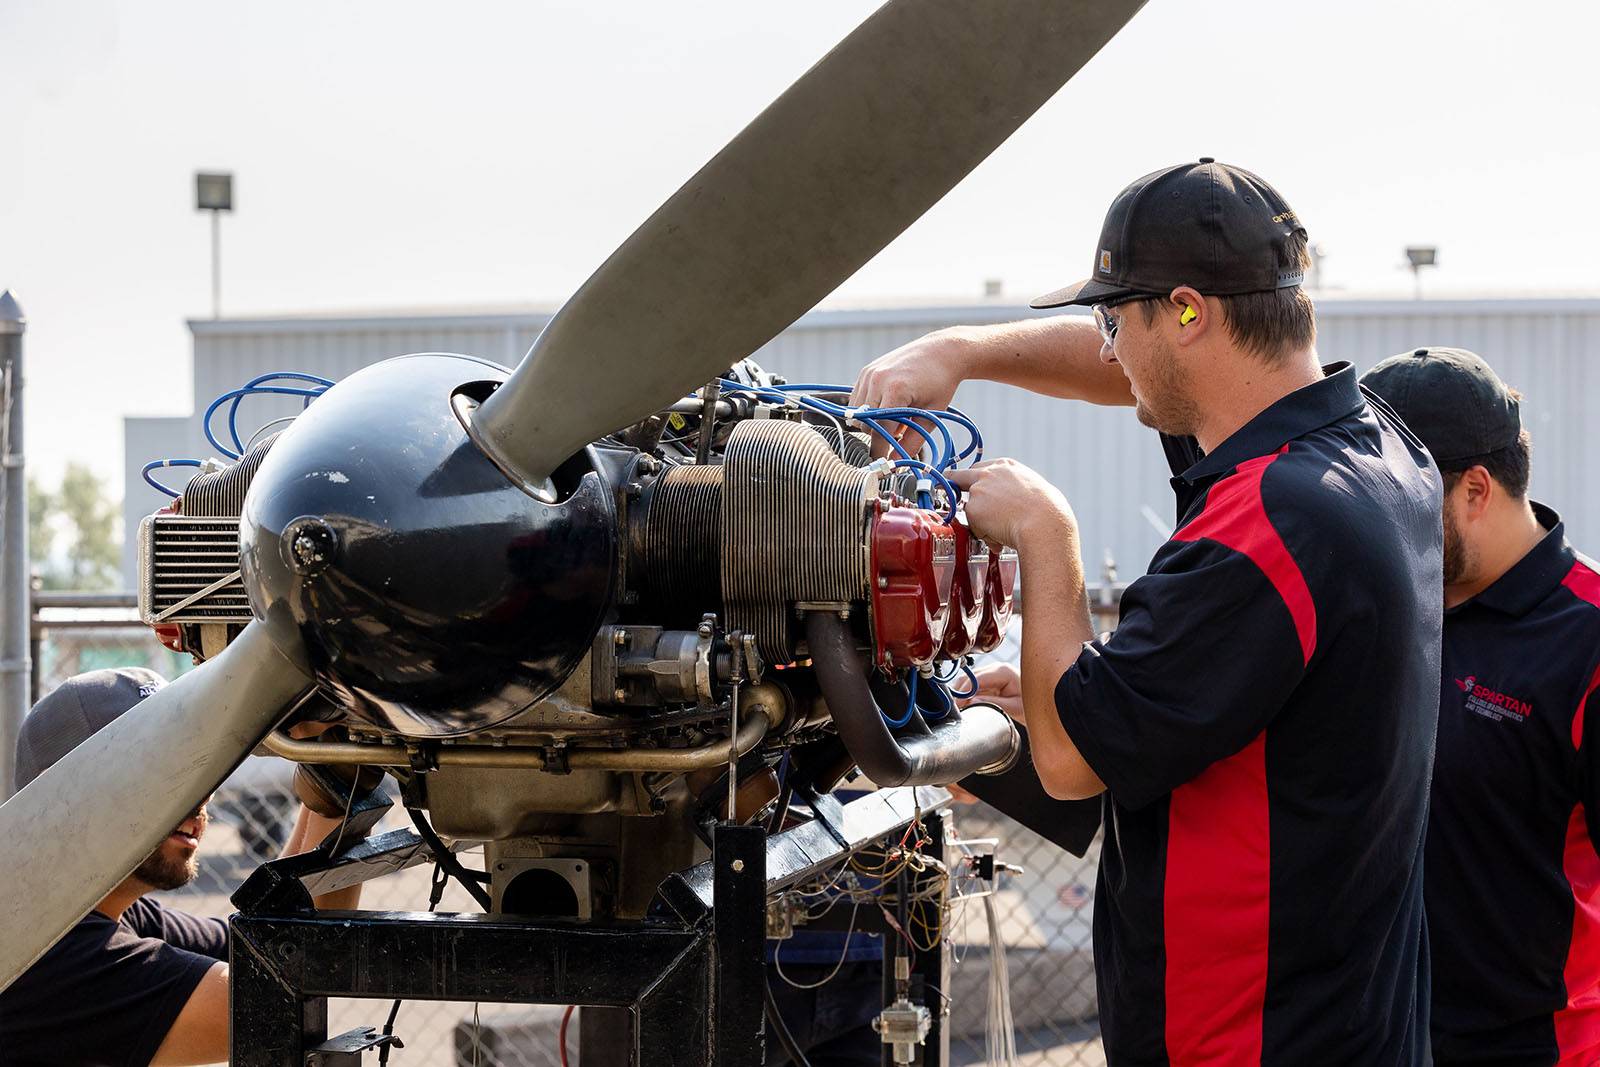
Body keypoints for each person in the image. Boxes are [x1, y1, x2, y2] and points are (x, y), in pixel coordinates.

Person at [851, 159, 1442, 1063]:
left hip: (1251, 1037)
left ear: (1191, 312)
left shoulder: (1268, 528)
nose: (1110, 347)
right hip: (1353, 1017)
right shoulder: (1376, 451)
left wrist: (1045, 535)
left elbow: (1074, 760)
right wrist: (961, 351)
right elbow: (1133, 377)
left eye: (1115, 320)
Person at [1363, 349, 1600, 1065]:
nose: (1376, 524)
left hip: (1540, 1047)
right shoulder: (1384, 604)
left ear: (1474, 489)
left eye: (1398, 500)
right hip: (1379, 1035)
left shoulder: (1586, 639)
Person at [0, 668, 364, 1066]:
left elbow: (277, 945)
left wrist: (333, 771)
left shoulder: (85, 908)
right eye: (161, 773)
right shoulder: (57, 952)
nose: (198, 796)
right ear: (72, 794)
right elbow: (277, 1000)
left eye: (196, 767)